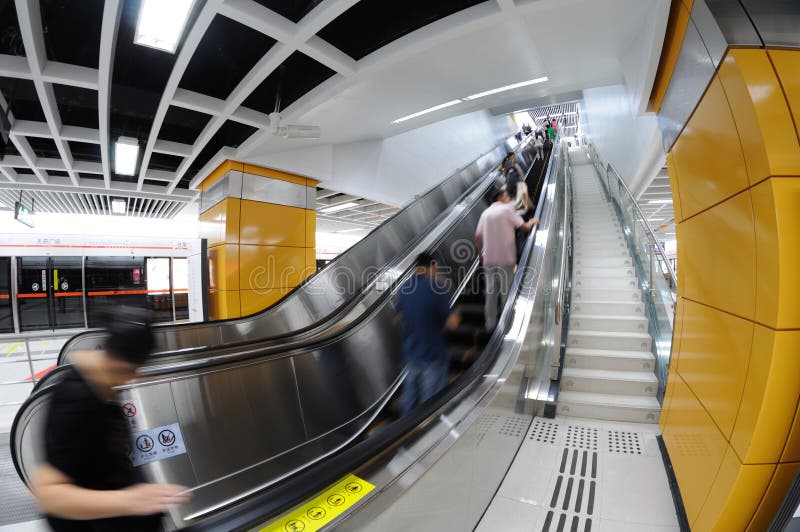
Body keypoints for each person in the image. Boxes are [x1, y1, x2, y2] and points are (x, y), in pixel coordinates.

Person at [32, 308, 189, 531]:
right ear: (121, 363)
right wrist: (130, 501)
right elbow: (49, 495)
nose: (135, 377)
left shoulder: (104, 385)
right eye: (134, 369)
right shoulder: (77, 399)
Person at [394, 253, 461, 414]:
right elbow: (453, 324)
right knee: (430, 405)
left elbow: (396, 319)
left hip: (411, 353)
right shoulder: (436, 288)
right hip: (433, 355)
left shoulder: (406, 287)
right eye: (435, 268)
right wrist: (457, 313)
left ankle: (405, 432)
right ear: (433, 266)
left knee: (410, 399)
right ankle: (426, 434)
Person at [475, 187, 538, 331]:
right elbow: (524, 227)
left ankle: (490, 325)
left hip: (489, 260)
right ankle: (506, 326)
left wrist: (481, 255)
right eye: (505, 195)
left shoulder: (485, 213)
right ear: (500, 197)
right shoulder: (507, 210)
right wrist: (533, 221)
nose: (508, 197)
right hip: (506, 258)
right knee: (505, 291)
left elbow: (478, 237)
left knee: (490, 293)